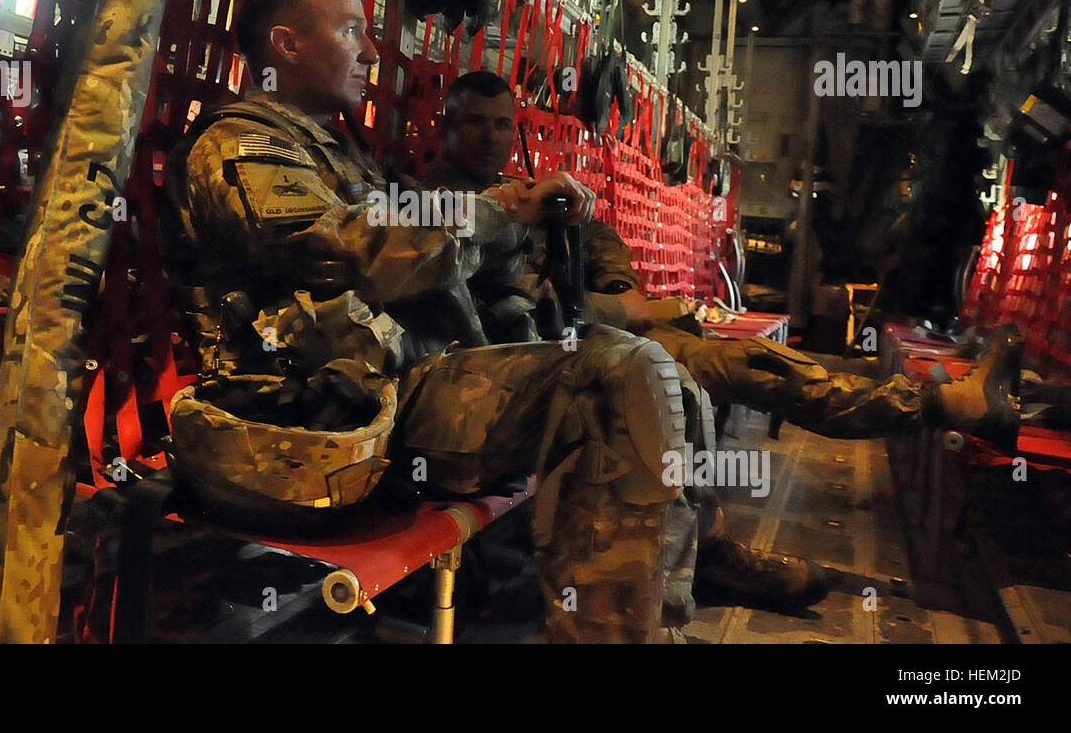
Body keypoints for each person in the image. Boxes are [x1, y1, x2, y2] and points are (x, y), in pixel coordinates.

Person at [166, 0, 688, 643]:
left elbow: (424, 231)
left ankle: (651, 620)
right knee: (619, 377)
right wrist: (499, 214)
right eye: (351, 29)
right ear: (287, 44)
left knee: (658, 378)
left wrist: (521, 213)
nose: (370, 51)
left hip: (393, 384)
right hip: (314, 417)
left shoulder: (337, 152)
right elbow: (350, 248)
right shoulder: (238, 145)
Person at [426, 71, 1025, 613]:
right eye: (473, 121)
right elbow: (490, 309)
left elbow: (598, 237)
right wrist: (614, 307)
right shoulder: (430, 210)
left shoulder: (527, 193)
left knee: (748, 362)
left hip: (591, 337)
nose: (490, 135)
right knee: (673, 385)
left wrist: (613, 285)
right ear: (446, 125)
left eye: (502, 122)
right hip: (530, 364)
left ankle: (943, 405)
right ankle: (701, 556)